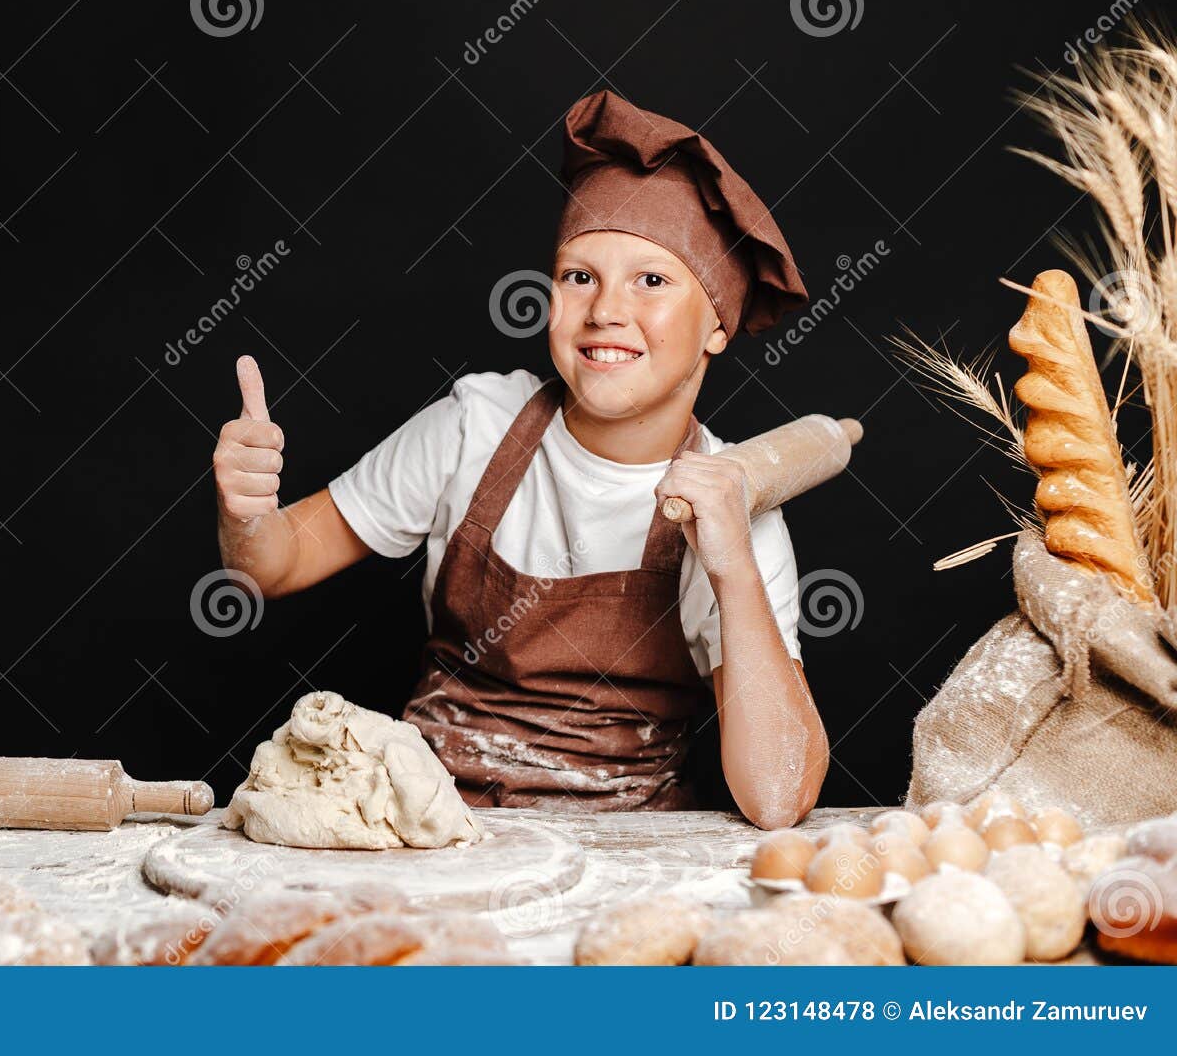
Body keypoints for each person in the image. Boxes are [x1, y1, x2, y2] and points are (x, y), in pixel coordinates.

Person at [212, 90, 828, 828]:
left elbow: (777, 796)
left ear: (716, 327)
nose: (605, 310)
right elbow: (270, 563)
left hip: (626, 854)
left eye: (652, 280)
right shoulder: (476, 428)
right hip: (430, 831)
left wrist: (730, 564)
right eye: (579, 275)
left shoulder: (733, 504)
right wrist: (245, 511)